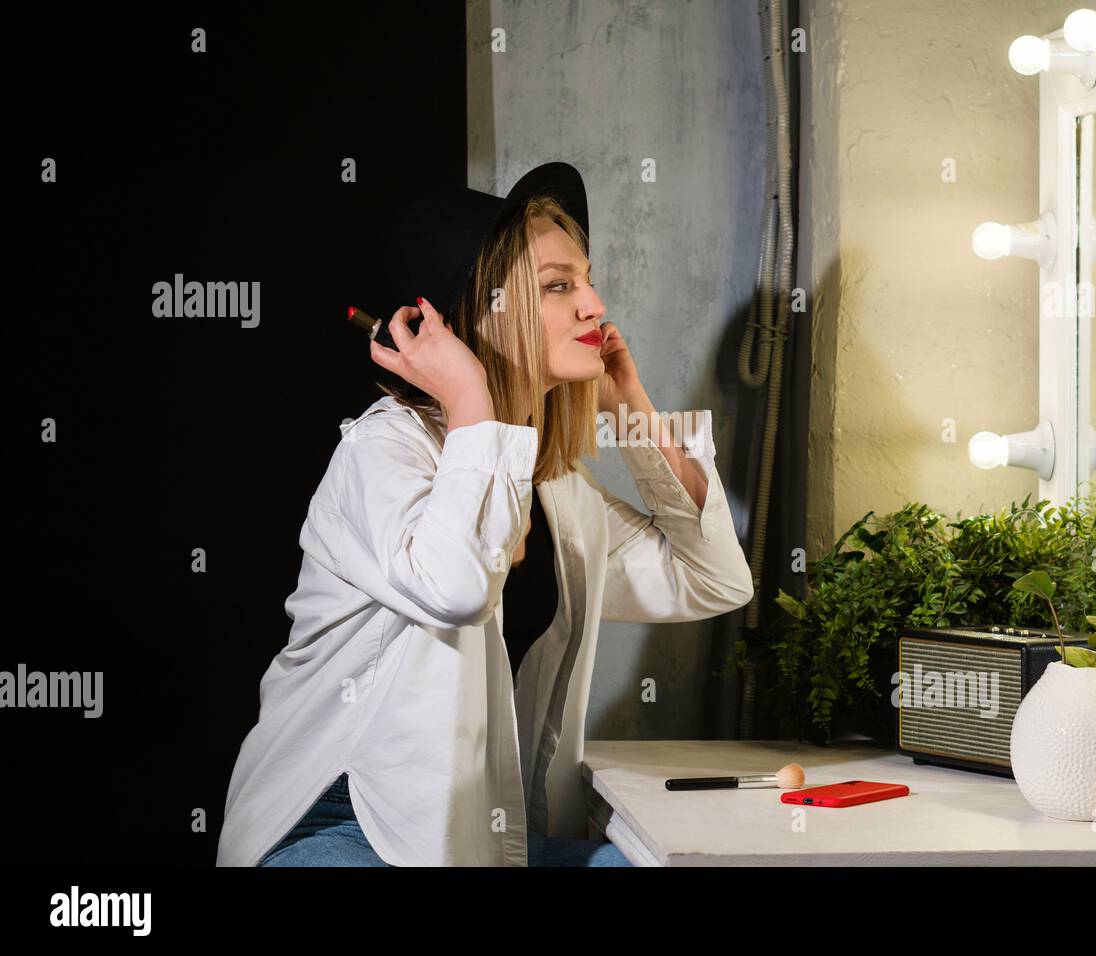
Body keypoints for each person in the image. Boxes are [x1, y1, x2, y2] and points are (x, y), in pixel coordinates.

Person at [215, 162, 753, 867]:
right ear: (475, 311)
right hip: (346, 822)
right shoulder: (383, 451)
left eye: (587, 279)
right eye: (559, 285)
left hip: (473, 831)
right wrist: (472, 396)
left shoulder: (555, 490)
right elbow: (457, 587)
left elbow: (713, 580)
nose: (595, 305)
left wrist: (633, 406)